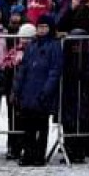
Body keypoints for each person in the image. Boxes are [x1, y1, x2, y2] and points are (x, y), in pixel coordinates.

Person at [12, 14, 62, 166]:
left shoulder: (54, 46)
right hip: (28, 92)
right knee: (28, 127)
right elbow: (23, 69)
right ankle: (28, 153)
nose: (42, 30)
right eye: (39, 27)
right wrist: (17, 89)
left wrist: (46, 91)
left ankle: (39, 155)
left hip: (42, 93)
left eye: (45, 27)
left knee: (41, 126)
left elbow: (55, 71)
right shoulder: (32, 46)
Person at [0, 22, 35, 160]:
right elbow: (5, 65)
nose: (25, 40)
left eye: (29, 37)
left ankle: (27, 146)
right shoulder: (14, 51)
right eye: (23, 37)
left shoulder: (36, 51)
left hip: (30, 90)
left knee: (27, 120)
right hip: (15, 89)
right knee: (13, 119)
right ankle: (13, 147)